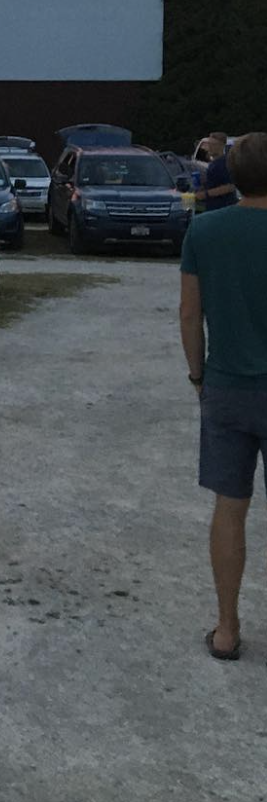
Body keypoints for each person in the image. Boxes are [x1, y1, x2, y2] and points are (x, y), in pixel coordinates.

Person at [179, 132, 267, 660]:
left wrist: (197, 377)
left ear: (230, 177)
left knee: (229, 509)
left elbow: (191, 314)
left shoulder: (205, 231)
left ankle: (228, 629)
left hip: (228, 388)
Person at [200, 132, 238, 212]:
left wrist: (205, 194)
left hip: (223, 208)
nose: (210, 147)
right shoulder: (213, 163)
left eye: (214, 144)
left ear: (222, 146)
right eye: (209, 144)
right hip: (213, 207)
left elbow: (229, 187)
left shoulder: (224, 163)